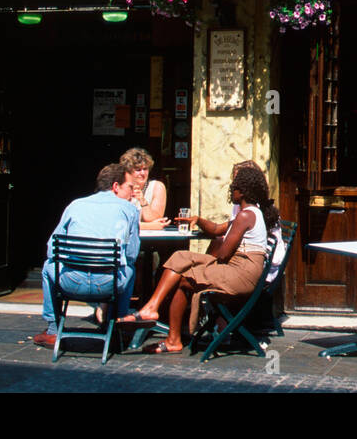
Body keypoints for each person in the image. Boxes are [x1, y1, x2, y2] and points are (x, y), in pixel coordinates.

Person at [126, 160, 279, 353]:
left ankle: (170, 334)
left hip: (240, 274)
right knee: (180, 256)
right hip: (239, 269)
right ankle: (153, 308)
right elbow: (217, 230)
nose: (231, 192)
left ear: (244, 191)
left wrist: (202, 265)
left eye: (234, 188)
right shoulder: (247, 213)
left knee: (182, 277)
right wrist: (198, 220)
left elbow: (223, 255)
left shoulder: (245, 216)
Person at [33, 163, 141, 347]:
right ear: (116, 187)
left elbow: (52, 248)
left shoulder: (75, 205)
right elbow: (131, 254)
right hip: (108, 285)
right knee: (130, 268)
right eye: (130, 187)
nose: (132, 193)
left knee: (47, 267)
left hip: (70, 283)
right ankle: (117, 325)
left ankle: (52, 330)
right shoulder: (129, 210)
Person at [121, 147, 168, 228]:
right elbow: (120, 223)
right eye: (138, 169)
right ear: (128, 171)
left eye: (145, 169)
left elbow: (154, 219)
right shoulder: (121, 187)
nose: (142, 173)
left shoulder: (157, 187)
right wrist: (149, 226)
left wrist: (142, 201)